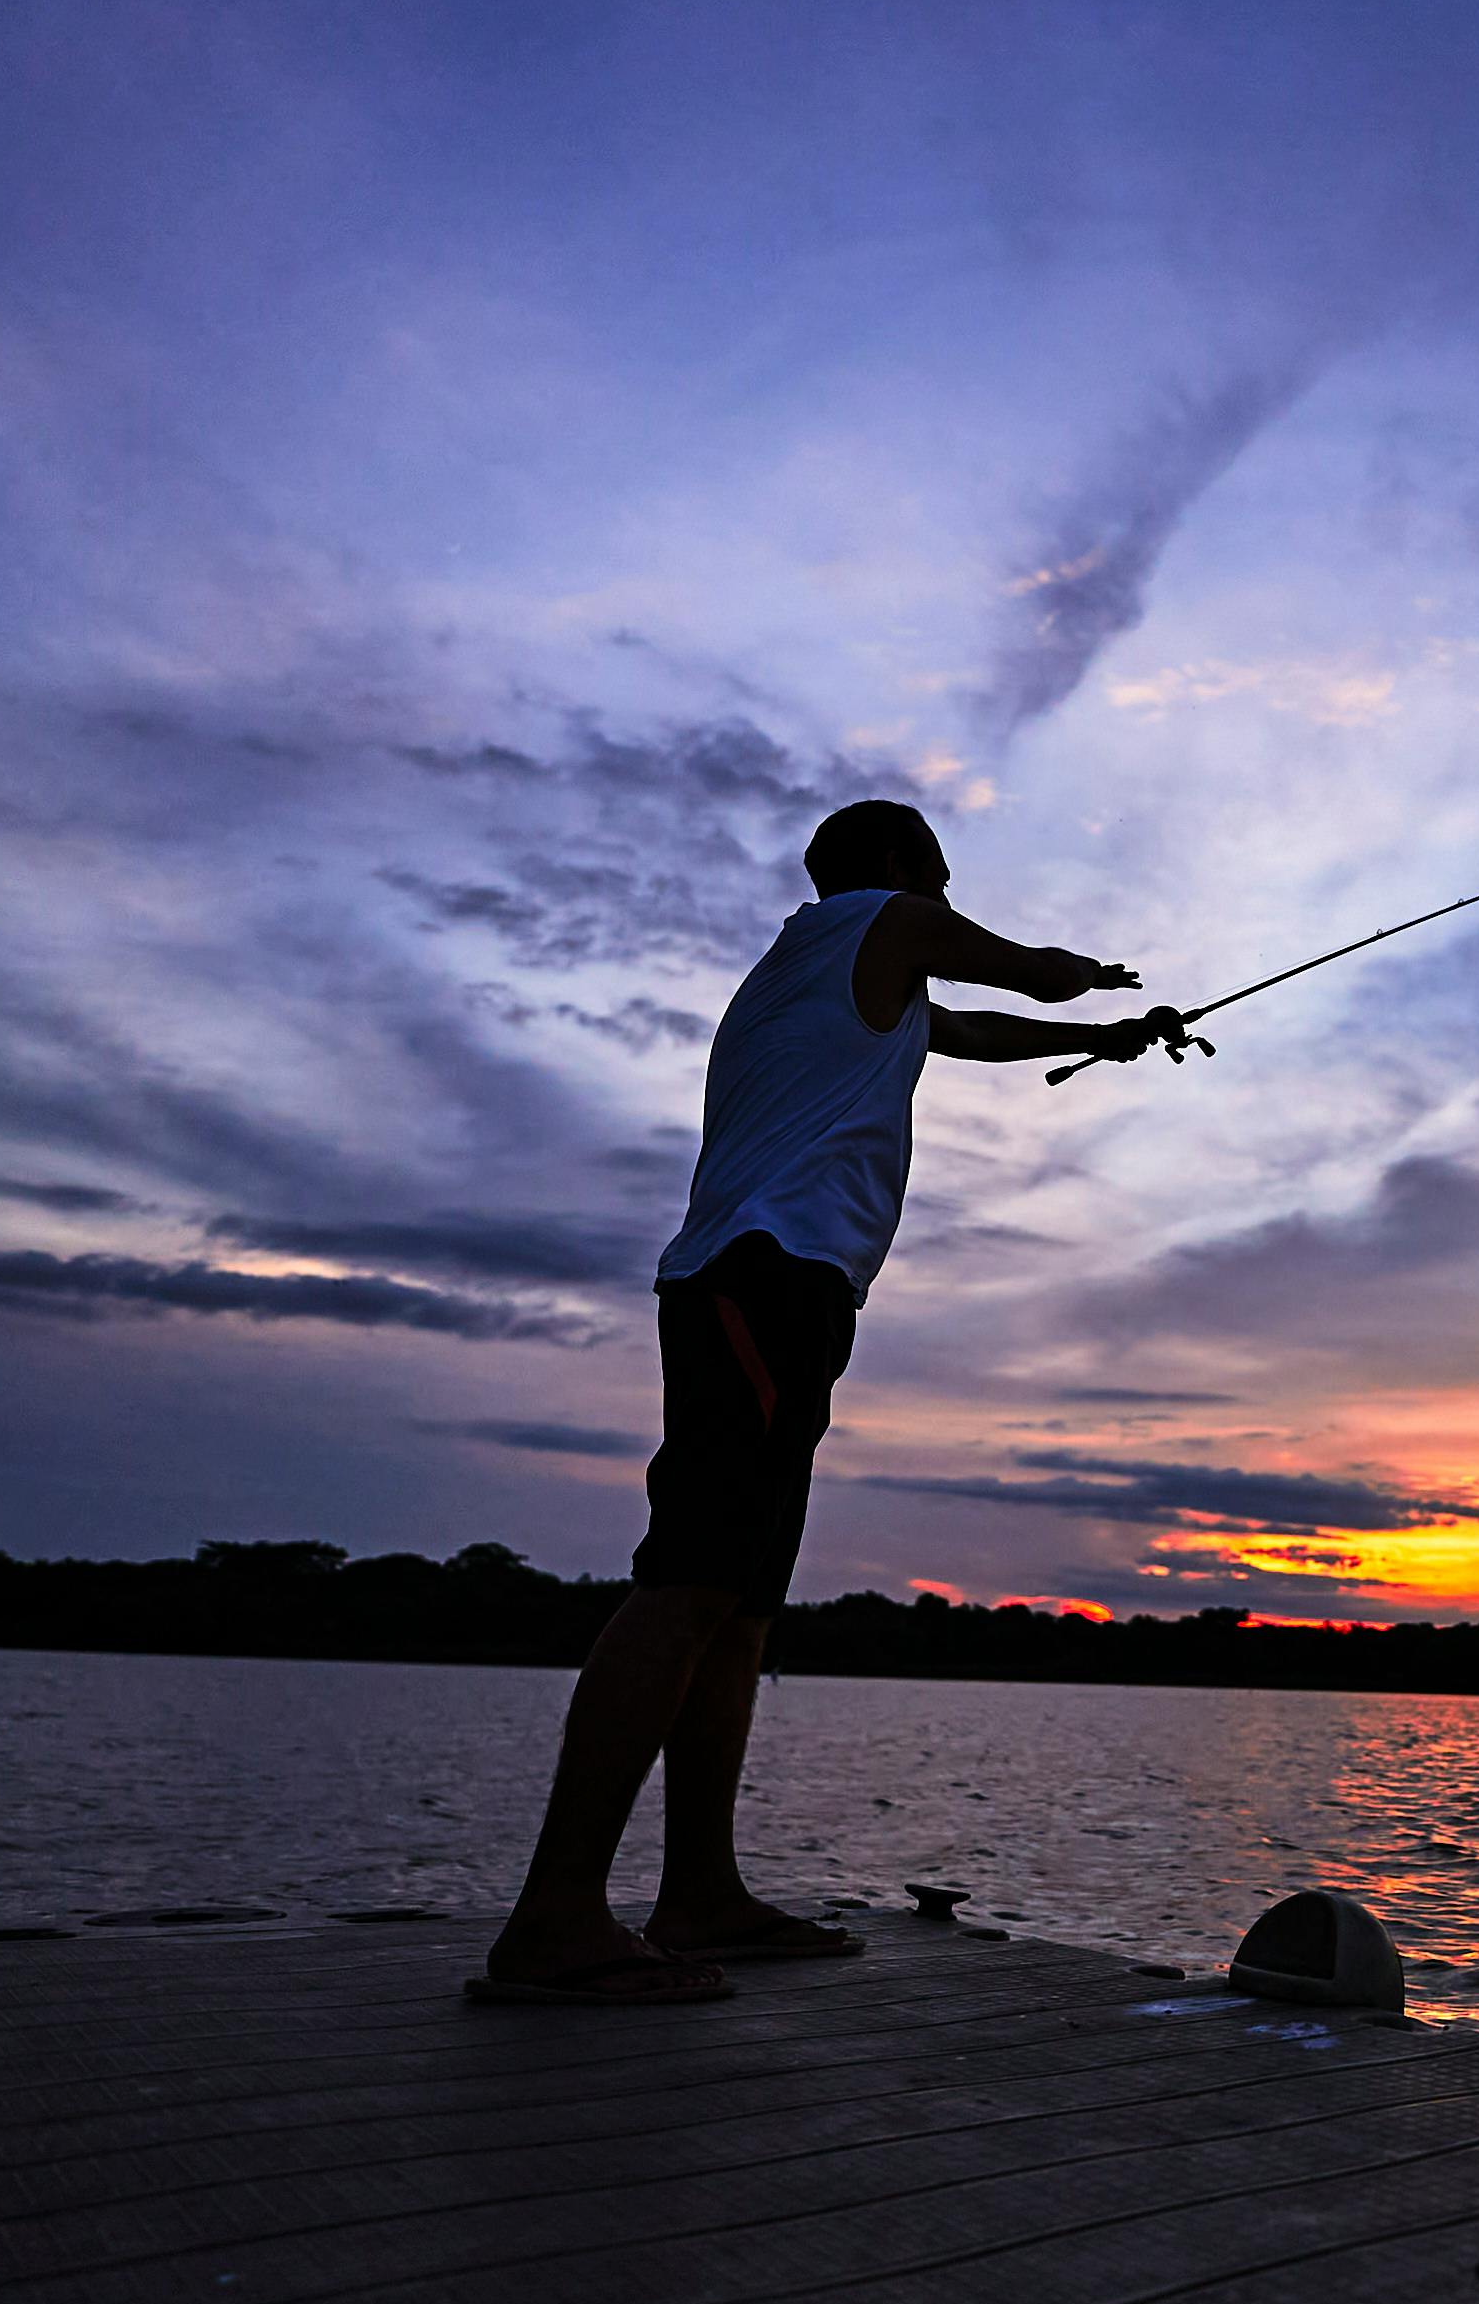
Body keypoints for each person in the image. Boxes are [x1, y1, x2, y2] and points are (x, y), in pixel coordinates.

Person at [471, 798, 1187, 2005]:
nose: (945, 903)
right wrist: (1080, 980)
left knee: (741, 1608)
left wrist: (1111, 1039)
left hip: (774, 1286)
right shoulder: (884, 919)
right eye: (943, 882)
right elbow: (1013, 971)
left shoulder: (815, 976)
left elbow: (960, 1028)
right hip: (763, 1275)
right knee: (690, 1581)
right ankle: (553, 1920)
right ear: (906, 871)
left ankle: (700, 1893)